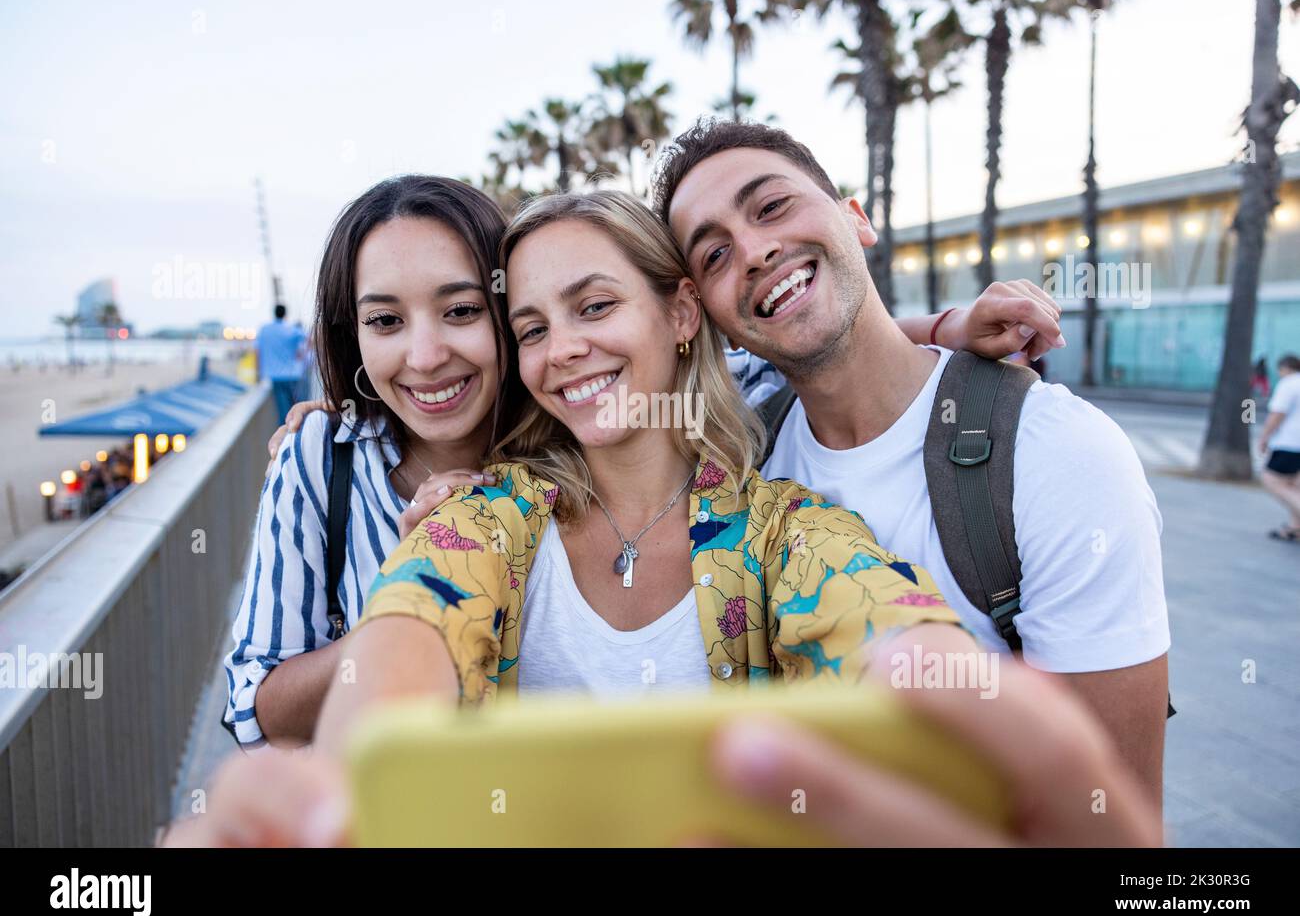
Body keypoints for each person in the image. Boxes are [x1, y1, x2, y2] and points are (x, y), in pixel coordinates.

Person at [169, 190, 1158, 848]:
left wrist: (959, 734)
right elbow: (408, 632)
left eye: (596, 306)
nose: (563, 350)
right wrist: (353, 794)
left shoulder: (789, 532)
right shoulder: (477, 524)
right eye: (532, 328)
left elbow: (879, 624)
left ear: (682, 315)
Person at [655, 119, 1170, 809]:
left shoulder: (1058, 450)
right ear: (711, 315)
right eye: (714, 255)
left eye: (772, 206)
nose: (752, 250)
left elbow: (1117, 822)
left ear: (857, 220)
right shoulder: (741, 458)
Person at [223, 176, 524, 748]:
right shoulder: (317, 457)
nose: (426, 357)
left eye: (460, 310)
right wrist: (411, 602)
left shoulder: (576, 455)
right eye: (386, 321)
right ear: (352, 334)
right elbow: (258, 707)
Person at [1259, 353, 1300, 542]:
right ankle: (1295, 527)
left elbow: (1277, 414)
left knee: (1271, 480)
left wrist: (1264, 437)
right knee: (1294, 485)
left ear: (1284, 368)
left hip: (1289, 443)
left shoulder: (1289, 384)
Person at [255, 302, 307, 422]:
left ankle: (287, 438)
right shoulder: (291, 329)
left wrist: (258, 374)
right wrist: (301, 355)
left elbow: (257, 352)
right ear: (285, 314)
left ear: (274, 313)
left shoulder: (265, 330)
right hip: (294, 374)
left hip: (275, 377)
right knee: (298, 410)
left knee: (284, 412)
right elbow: (310, 339)